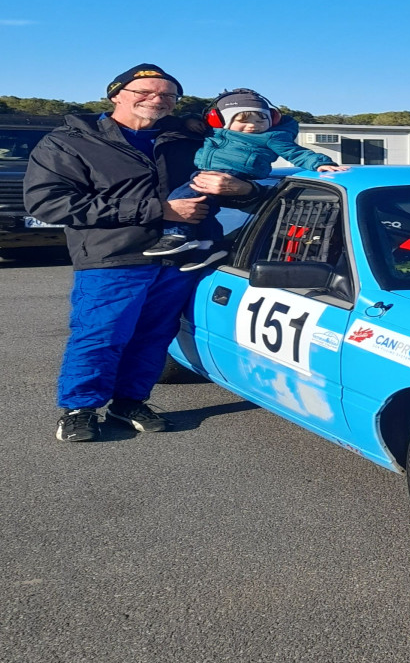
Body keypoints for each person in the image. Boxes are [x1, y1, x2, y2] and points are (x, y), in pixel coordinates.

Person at [23, 64, 269, 443]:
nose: (157, 100)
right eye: (146, 92)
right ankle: (79, 409)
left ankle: (130, 401)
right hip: (113, 257)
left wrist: (240, 188)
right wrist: (159, 210)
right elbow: (48, 202)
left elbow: (248, 188)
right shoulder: (70, 142)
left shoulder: (191, 141)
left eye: (168, 95)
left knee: (155, 336)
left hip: (182, 258)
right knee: (100, 334)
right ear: (116, 94)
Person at [145, 88, 344, 263]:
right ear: (221, 120)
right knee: (205, 211)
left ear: (272, 119)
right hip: (207, 173)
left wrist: (320, 163)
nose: (253, 126)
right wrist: (190, 119)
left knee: (180, 197)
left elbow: (296, 152)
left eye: (261, 119)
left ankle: (176, 236)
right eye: (243, 120)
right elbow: (188, 122)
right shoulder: (214, 131)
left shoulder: (273, 136)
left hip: (233, 173)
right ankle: (210, 246)